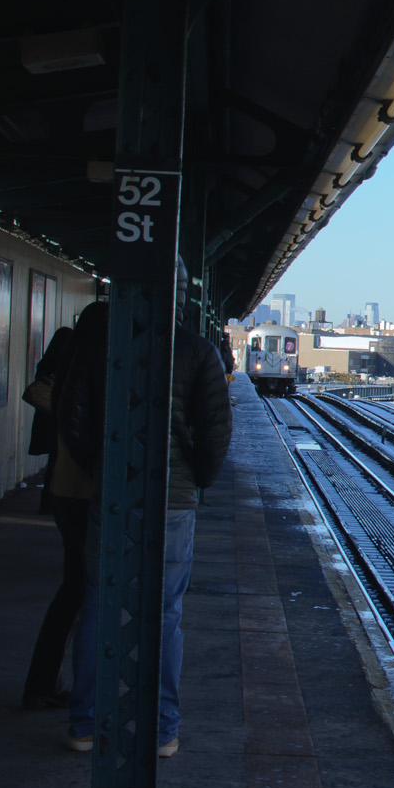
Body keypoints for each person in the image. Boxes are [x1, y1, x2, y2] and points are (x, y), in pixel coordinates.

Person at [61, 260, 232, 758]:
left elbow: (73, 418)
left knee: (98, 605)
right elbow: (216, 433)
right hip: (174, 503)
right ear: (181, 297)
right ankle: (160, 729)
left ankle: (85, 723)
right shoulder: (198, 351)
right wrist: (196, 480)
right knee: (166, 612)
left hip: (110, 496)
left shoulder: (99, 344)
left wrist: (102, 466)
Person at [20, 324, 81, 709]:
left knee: (74, 589)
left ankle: (44, 680)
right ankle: (47, 682)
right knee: (77, 590)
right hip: (78, 491)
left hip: (64, 490)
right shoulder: (81, 362)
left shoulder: (75, 351)